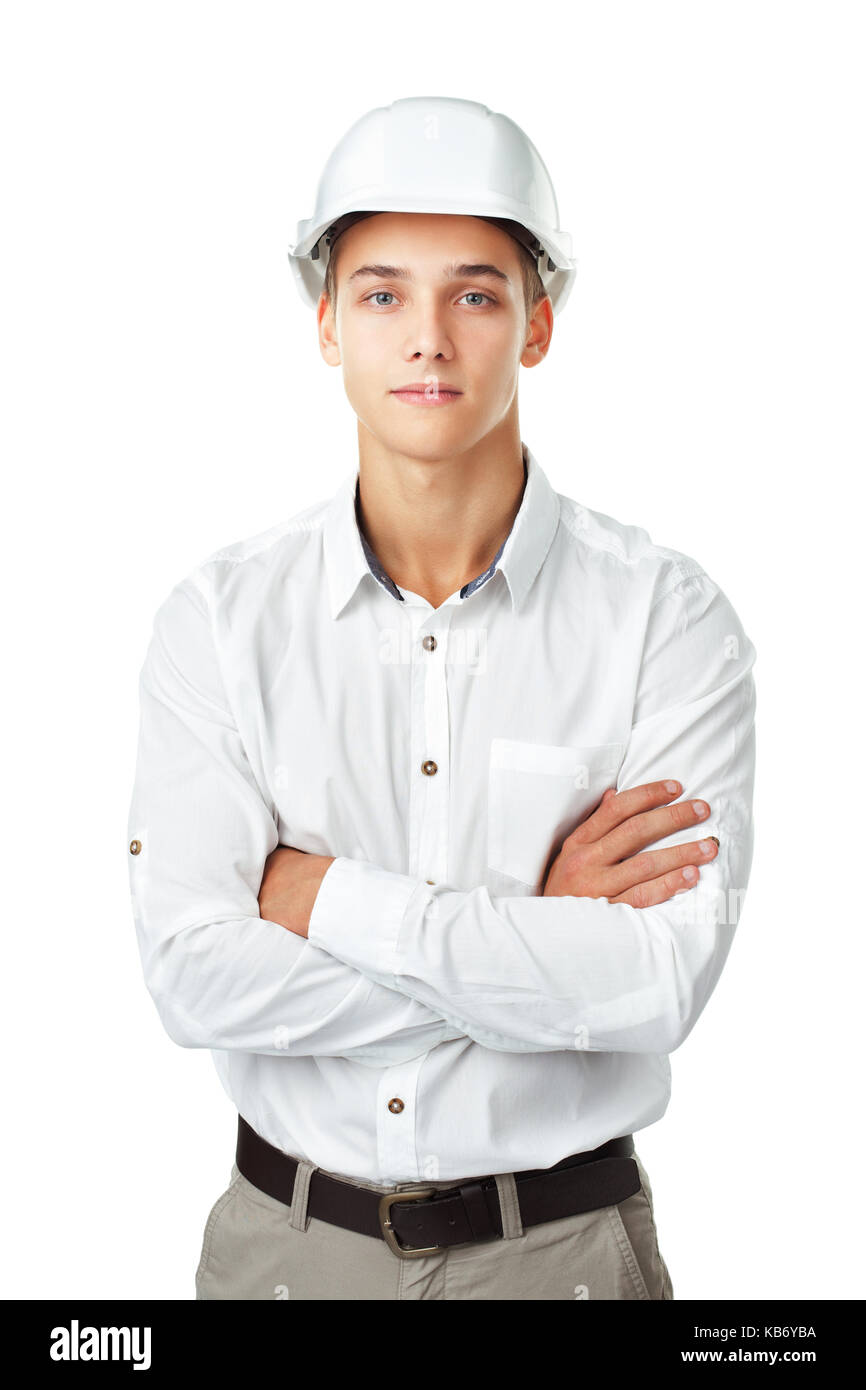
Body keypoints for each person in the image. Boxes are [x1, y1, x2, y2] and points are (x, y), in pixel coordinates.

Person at [126, 96, 756, 1301]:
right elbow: (192, 977)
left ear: (536, 326)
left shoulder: (664, 621)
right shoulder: (217, 622)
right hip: (284, 1258)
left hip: (561, 1259)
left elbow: (655, 985)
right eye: (381, 294)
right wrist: (528, 919)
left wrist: (320, 901)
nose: (427, 338)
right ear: (326, 324)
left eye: (472, 293)